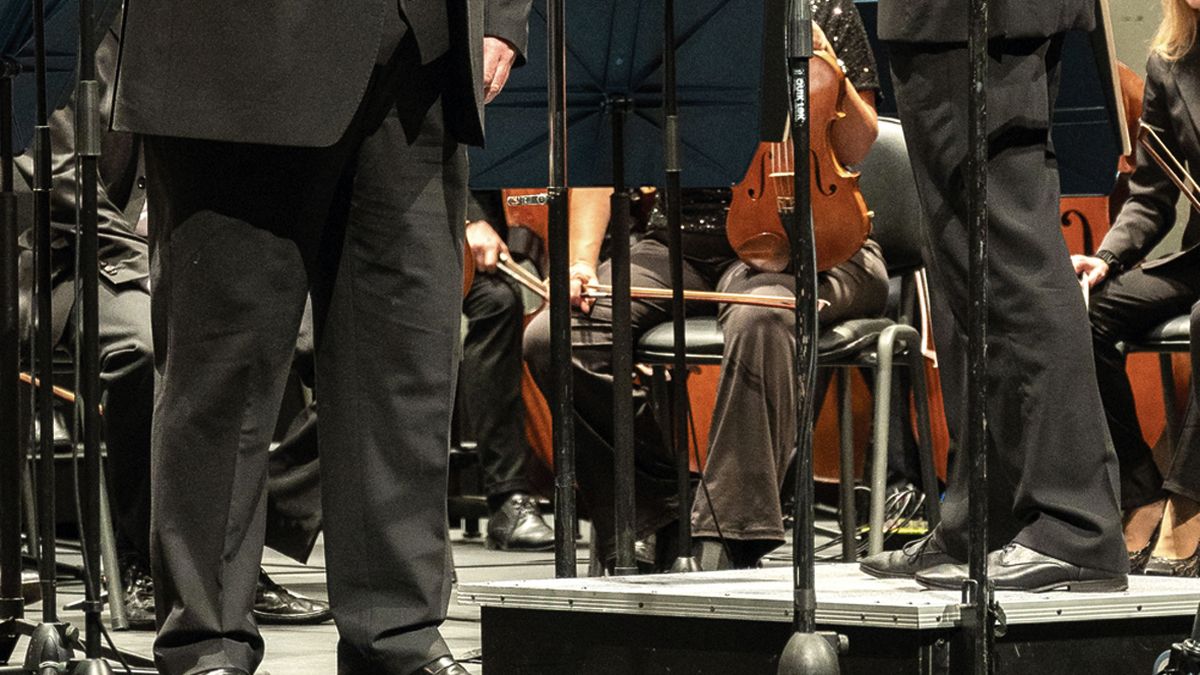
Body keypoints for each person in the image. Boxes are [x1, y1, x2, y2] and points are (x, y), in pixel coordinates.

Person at [112, 0, 529, 673]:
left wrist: (504, 15)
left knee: (406, 366)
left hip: (419, 56)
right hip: (236, 55)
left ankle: (397, 634)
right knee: (226, 371)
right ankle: (208, 644)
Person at [524, 0, 888, 571]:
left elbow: (859, 145)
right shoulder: (666, 21)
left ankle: (729, 538)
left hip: (807, 237)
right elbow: (601, 152)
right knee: (557, 335)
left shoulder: (823, 5)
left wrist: (830, 72)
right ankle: (659, 509)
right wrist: (580, 263)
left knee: (762, 316)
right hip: (680, 241)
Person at [12, 25, 331, 630]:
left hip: (191, 254)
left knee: (333, 341)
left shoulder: (201, 39)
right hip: (80, 263)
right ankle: (146, 557)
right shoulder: (80, 36)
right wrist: (147, 261)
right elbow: (55, 174)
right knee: (151, 346)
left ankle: (233, 534)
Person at [859, 0, 1129, 591]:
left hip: (970, 17)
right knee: (965, 261)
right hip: (966, 19)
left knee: (1009, 251)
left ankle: (1073, 523)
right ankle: (985, 520)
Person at [1074, 0, 1200, 578]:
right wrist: (1105, 258)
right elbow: (1151, 194)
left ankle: (1191, 506)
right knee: (1086, 312)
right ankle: (1141, 490)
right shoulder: (1169, 62)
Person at [460, 190, 554, 550]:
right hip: (426, 225)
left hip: (502, 226)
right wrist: (466, 220)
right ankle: (508, 498)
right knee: (499, 302)